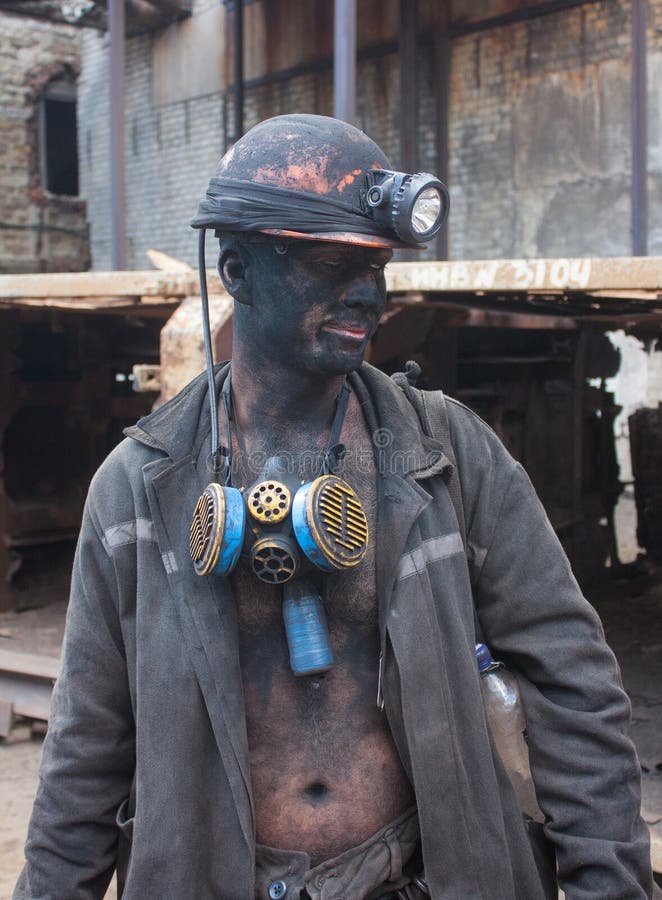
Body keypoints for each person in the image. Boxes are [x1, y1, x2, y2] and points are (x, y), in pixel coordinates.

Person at [15, 114, 659, 900]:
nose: (368, 294)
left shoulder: (447, 455)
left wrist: (614, 886)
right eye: (328, 264)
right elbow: (86, 749)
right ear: (238, 271)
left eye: (377, 266)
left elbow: (574, 684)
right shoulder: (138, 486)